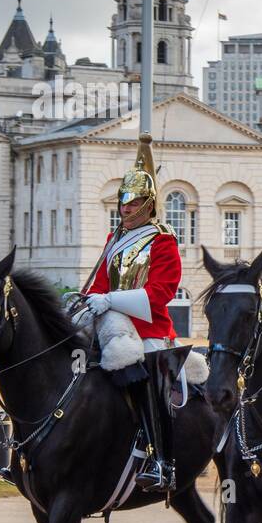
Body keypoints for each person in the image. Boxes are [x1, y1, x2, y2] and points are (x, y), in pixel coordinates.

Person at [81, 132, 182, 490]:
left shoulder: (163, 241)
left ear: (148, 203)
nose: (125, 207)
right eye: (123, 200)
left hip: (150, 330)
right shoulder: (115, 239)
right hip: (109, 324)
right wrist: (91, 300)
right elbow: (98, 284)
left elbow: (160, 293)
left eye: (133, 200)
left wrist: (111, 301)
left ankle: (159, 459)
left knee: (151, 382)